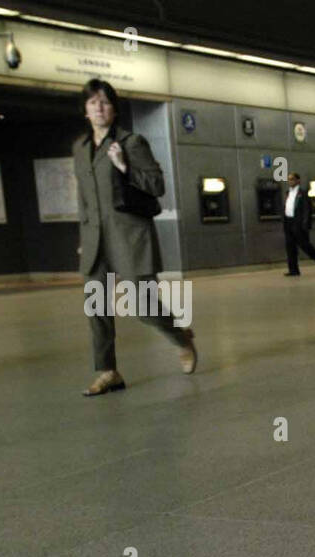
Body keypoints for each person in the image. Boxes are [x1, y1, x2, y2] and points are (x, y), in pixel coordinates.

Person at [73, 78, 196, 397]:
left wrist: (124, 167)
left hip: (129, 238)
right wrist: (83, 236)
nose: (99, 108)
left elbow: (157, 186)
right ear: (86, 110)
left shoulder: (132, 142)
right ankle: (107, 371)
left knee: (142, 307)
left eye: (105, 102)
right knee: (96, 307)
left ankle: (180, 338)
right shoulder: (80, 148)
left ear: (114, 109)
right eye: (93, 102)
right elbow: (84, 199)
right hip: (96, 241)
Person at [282, 172, 315, 276]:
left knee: (305, 246)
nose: (290, 181)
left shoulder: (303, 193)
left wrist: (305, 224)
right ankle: (293, 270)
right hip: (288, 223)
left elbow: (307, 210)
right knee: (290, 247)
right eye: (289, 179)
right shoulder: (287, 193)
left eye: (292, 179)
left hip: (298, 223)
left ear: (298, 180)